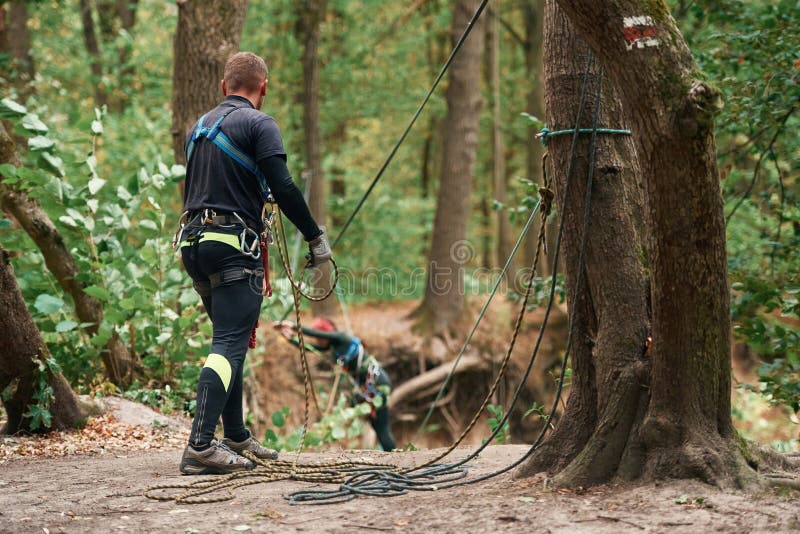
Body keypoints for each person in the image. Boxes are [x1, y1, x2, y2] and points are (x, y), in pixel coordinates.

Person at [175, 52, 332, 475]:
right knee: (227, 342)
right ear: (264, 87)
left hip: (195, 244)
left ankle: (237, 435)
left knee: (231, 339)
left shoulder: (199, 128)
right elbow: (282, 185)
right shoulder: (260, 123)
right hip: (232, 246)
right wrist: (315, 236)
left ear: (224, 87)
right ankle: (201, 446)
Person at [274, 317, 397, 451]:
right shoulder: (333, 346)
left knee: (381, 424)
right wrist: (289, 338)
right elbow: (308, 348)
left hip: (378, 383)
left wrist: (293, 326)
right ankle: (390, 453)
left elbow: (317, 334)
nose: (319, 341)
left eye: (321, 337)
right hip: (369, 387)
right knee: (376, 424)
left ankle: (394, 456)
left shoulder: (341, 337)